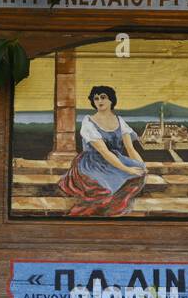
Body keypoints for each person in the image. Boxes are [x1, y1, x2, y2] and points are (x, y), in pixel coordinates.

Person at [56, 85, 148, 216]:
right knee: (106, 189)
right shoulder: (88, 121)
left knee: (140, 171)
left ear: (111, 100)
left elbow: (130, 148)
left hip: (114, 160)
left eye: (103, 97)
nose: (99, 101)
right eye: (96, 98)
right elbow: (104, 152)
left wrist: (141, 165)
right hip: (92, 162)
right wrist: (127, 169)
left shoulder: (120, 121)